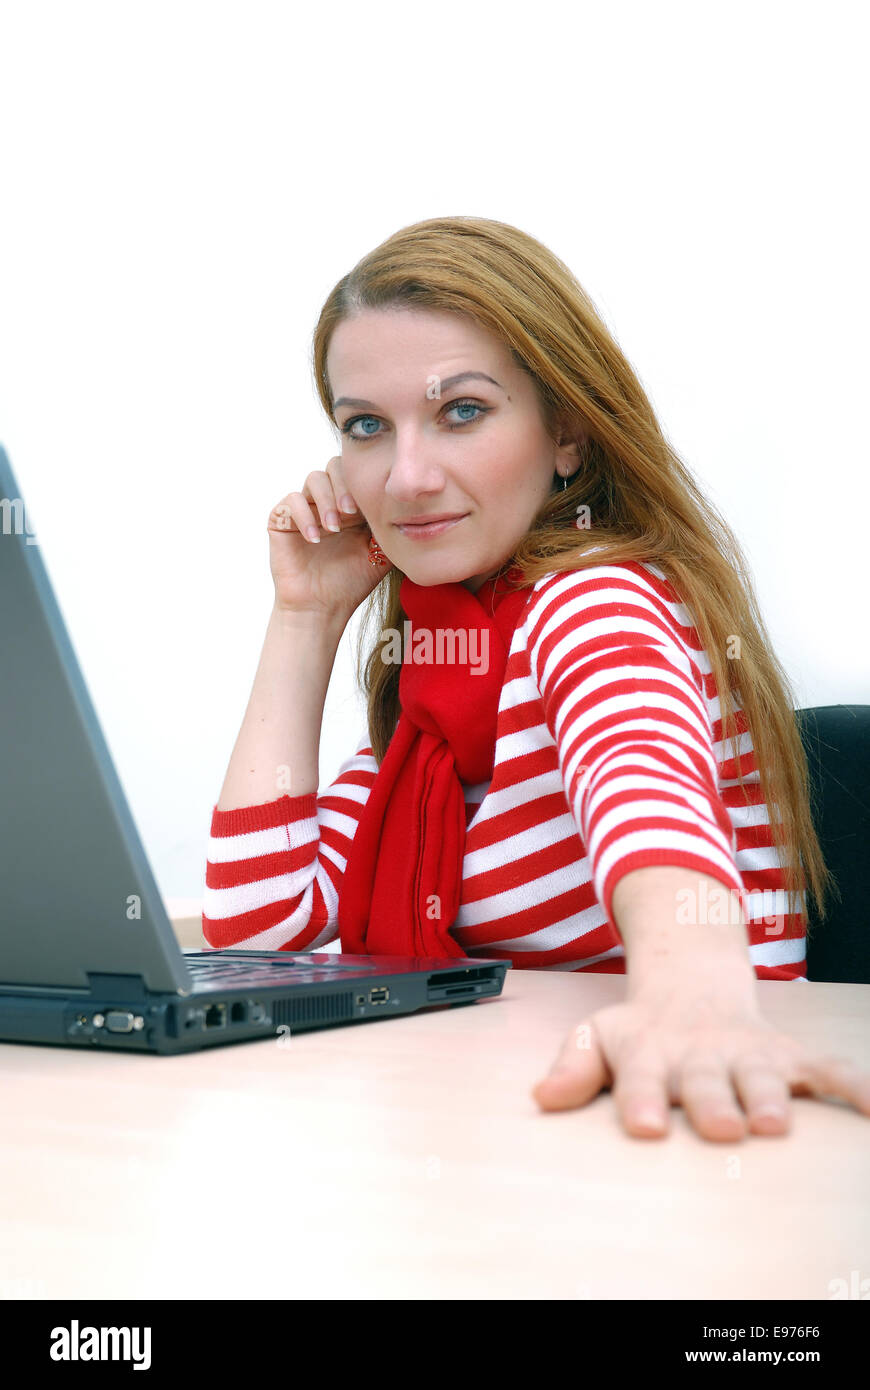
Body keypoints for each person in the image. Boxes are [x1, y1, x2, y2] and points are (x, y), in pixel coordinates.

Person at [204, 215, 870, 1143]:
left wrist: (696, 998)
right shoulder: (437, 695)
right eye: (365, 426)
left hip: (676, 1111)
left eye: (461, 412)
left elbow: (649, 793)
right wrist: (305, 619)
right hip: (504, 1120)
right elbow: (255, 931)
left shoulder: (594, 602)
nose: (405, 476)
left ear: (567, 434)